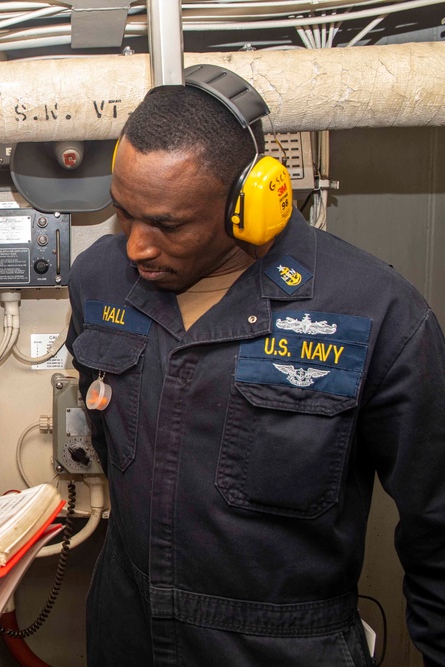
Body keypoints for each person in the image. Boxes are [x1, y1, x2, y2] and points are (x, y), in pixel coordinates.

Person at [67, 65, 445, 666]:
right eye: (123, 212)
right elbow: (109, 433)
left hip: (280, 645)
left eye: (167, 224)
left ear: (251, 204)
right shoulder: (98, 280)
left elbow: (438, 524)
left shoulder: (372, 310)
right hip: (127, 629)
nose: (136, 245)